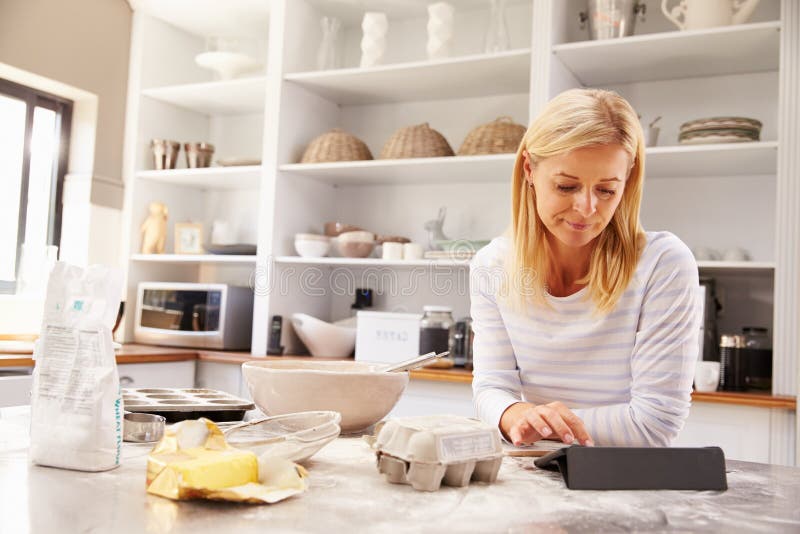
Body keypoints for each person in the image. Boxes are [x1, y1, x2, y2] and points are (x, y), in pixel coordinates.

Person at [470, 88, 701, 447]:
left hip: (624, 486)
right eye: (566, 186)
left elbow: (655, 422)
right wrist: (514, 415)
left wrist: (539, 423)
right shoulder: (491, 265)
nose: (587, 208)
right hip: (530, 478)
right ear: (529, 169)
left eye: (607, 190)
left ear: (628, 181)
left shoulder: (664, 264)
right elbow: (491, 387)